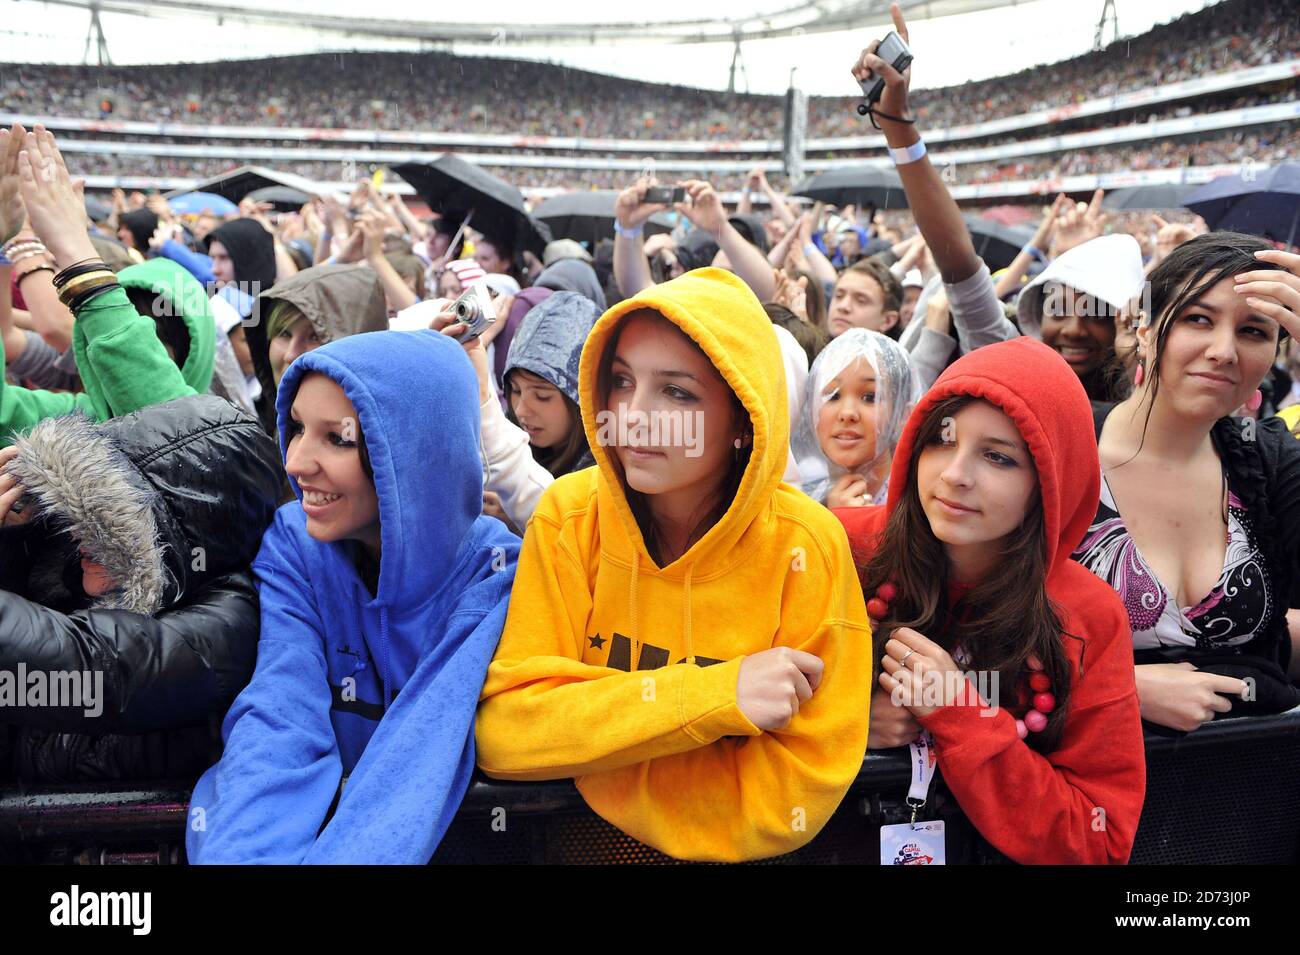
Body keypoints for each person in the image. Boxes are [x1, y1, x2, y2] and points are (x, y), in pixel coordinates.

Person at [476, 268, 874, 862]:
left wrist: (597, 747)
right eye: (620, 381)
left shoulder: (808, 546)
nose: (632, 416)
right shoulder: (569, 516)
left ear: (746, 418)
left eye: (677, 392)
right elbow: (506, 731)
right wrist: (718, 696)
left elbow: (788, 798)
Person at [187, 328, 520, 864]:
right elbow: (280, 716)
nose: (295, 462)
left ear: (415, 453)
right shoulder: (296, 544)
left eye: (336, 438)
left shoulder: (494, 572)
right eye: (295, 428)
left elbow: (419, 757)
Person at [836, 336, 1144, 864]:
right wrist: (845, 723)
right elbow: (738, 696)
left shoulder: (1087, 614)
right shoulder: (836, 545)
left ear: (1050, 482)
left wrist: (959, 714)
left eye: (998, 457)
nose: (955, 474)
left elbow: (1099, 840)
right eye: (941, 441)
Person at [1074, 234, 1300, 731]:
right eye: (1198, 319)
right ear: (1146, 329)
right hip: (1082, 791)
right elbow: (964, 645)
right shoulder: (1056, 447)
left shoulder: (1271, 462)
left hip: (1252, 790)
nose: (1223, 351)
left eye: (1255, 331)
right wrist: (1115, 687)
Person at [0, 394, 282, 782]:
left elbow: (85, 668)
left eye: (104, 521)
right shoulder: (72, 581)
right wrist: (13, 543)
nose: (76, 534)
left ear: (169, 537)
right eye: (76, 513)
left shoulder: (225, 629)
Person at [0, 124, 204, 444]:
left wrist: (75, 250)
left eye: (149, 345)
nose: (119, 354)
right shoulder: (85, 418)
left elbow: (173, 434)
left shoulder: (220, 430)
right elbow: (3, 413)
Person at [247, 262, 388, 433]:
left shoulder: (383, 444)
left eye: (315, 336)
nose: (290, 355)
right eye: (283, 333)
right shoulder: (263, 431)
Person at [792, 328, 918, 508]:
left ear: (903, 414)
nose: (847, 413)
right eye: (833, 395)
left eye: (870, 397)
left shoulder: (918, 504)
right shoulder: (798, 497)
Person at [1015, 234, 1146, 401]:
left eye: (1096, 315)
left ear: (1126, 325)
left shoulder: (1147, 403)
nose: (1074, 330)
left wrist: (1135, 366)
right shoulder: (1018, 385)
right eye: (1057, 312)